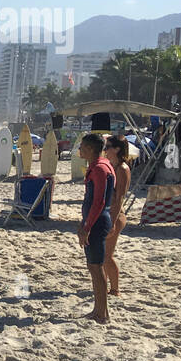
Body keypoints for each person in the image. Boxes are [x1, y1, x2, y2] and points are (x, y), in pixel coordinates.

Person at [77, 133, 114, 324]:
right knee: (93, 266)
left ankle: (102, 313)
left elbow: (98, 201)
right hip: (96, 220)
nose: (79, 149)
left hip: (98, 222)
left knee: (96, 267)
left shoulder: (100, 168)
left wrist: (87, 226)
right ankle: (98, 309)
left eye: (82, 146)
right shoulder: (101, 165)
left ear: (90, 149)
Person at [102, 134, 132, 297]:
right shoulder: (112, 165)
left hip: (115, 215)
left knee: (107, 256)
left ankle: (115, 290)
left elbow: (119, 198)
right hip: (108, 213)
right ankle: (104, 286)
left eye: (108, 147)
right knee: (102, 255)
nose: (105, 150)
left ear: (117, 149)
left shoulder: (122, 168)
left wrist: (111, 222)